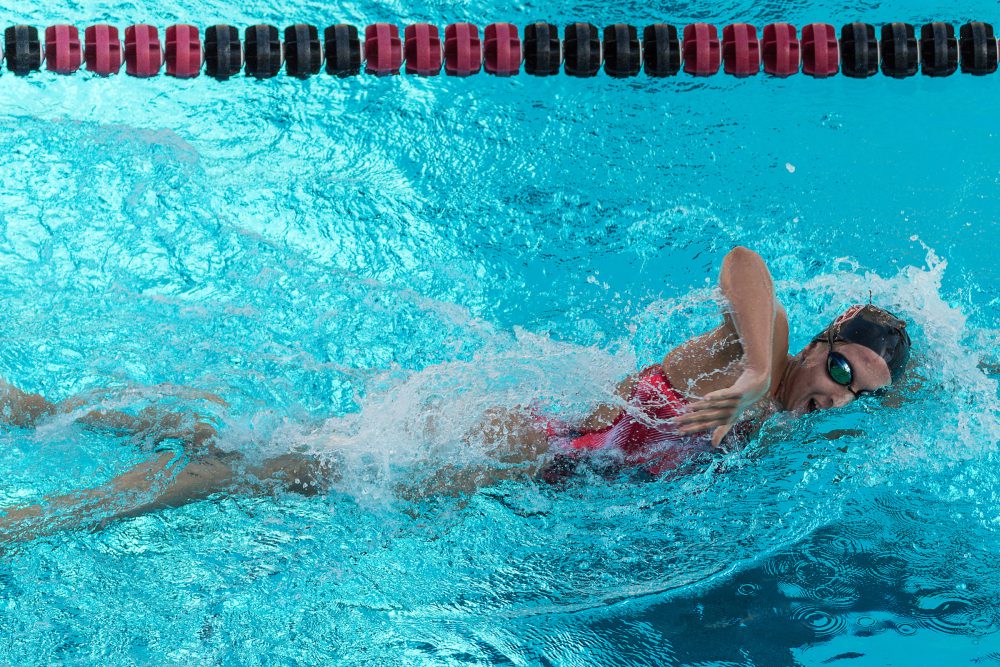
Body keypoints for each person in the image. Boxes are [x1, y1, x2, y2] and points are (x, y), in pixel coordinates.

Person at [0, 246, 911, 541]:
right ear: (820, 343)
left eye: (859, 394)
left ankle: (38, 411)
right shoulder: (772, 349)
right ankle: (32, 520)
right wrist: (756, 368)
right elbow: (746, 264)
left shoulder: (804, 417)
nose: (840, 396)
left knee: (260, 450)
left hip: (543, 468)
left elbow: (919, 386)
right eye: (841, 368)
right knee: (258, 470)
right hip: (523, 443)